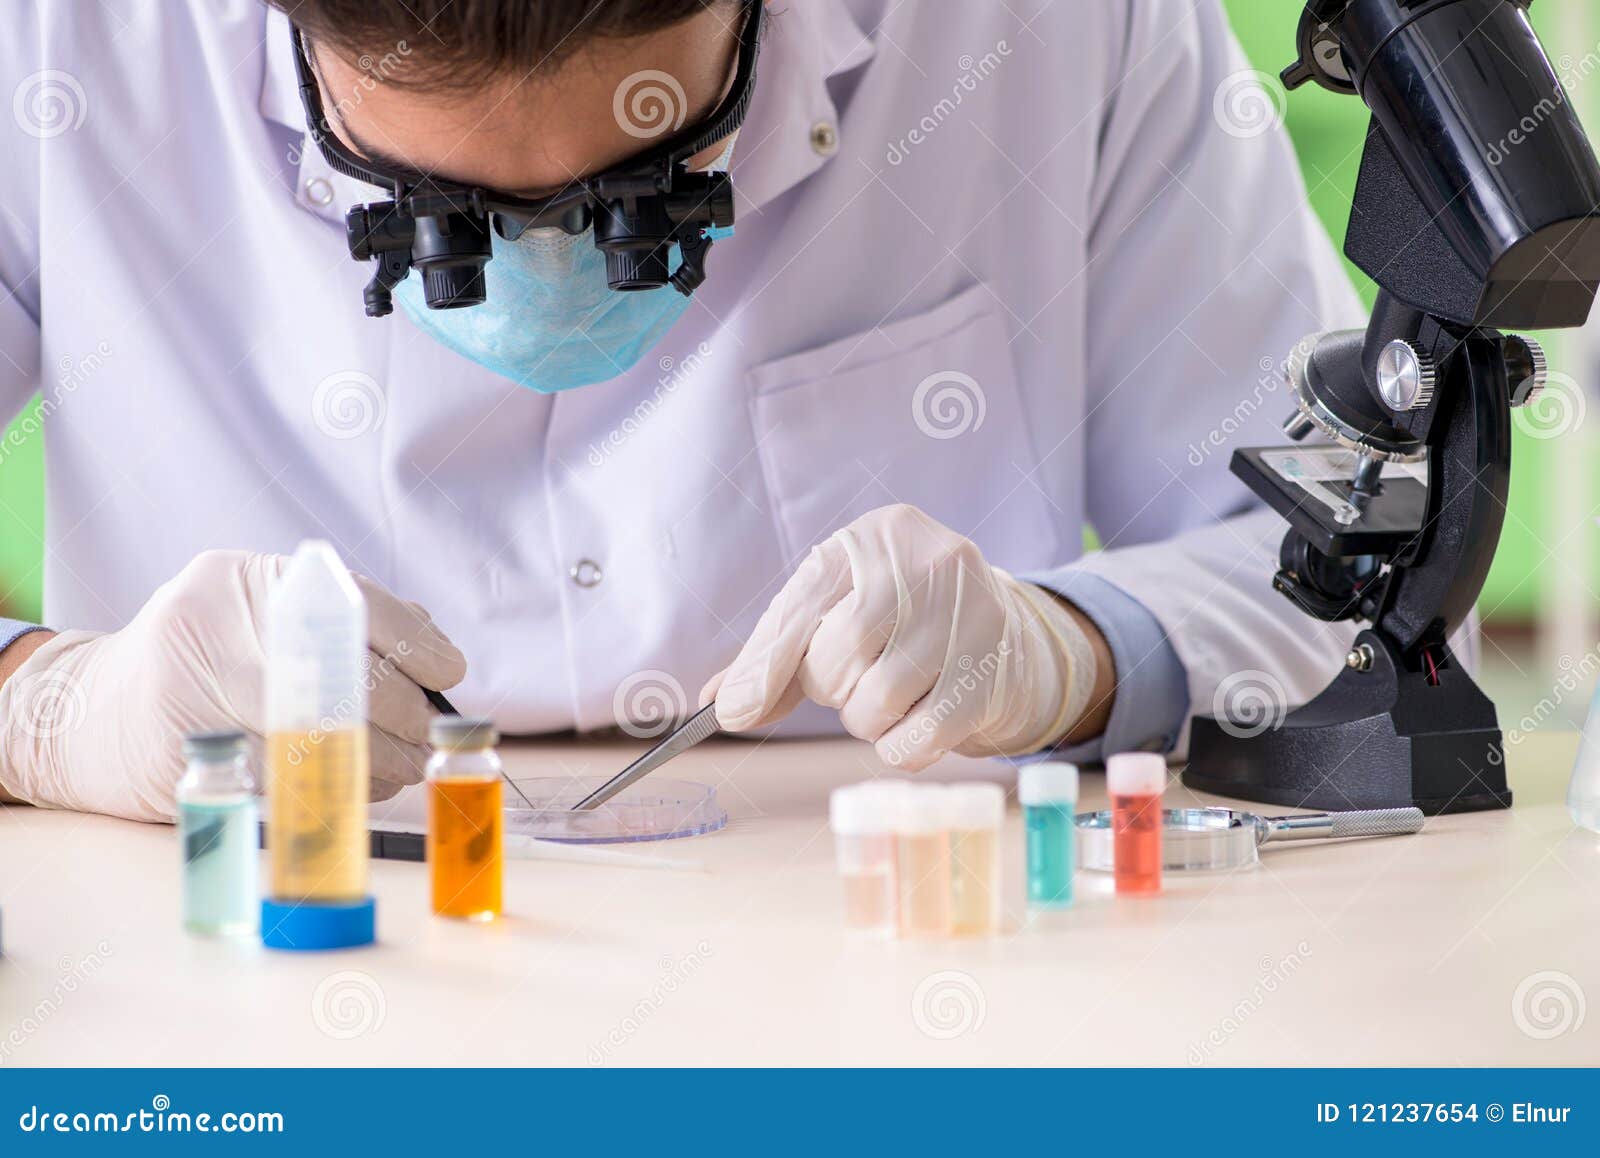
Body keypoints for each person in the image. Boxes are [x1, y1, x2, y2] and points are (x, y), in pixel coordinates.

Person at [0, 0, 1365, 821]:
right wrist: (61, 715)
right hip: (251, 955)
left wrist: (1078, 650)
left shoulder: (1041, 30)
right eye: (428, 219)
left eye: (654, 198)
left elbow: (1357, 558)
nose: (544, 286)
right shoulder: (53, 43)